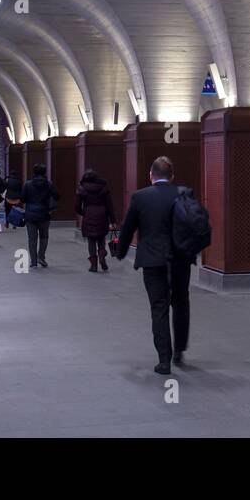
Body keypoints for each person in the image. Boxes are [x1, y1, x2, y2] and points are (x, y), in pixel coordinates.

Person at [112, 156, 193, 375]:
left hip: (153, 260)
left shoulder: (140, 197)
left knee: (159, 307)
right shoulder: (183, 194)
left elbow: (128, 228)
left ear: (151, 175)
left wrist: (120, 252)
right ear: (172, 175)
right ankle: (179, 351)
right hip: (180, 260)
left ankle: (164, 360)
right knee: (181, 303)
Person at [74, 169, 115, 273]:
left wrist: (83, 213)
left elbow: (77, 206)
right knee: (101, 237)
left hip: (88, 214)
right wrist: (112, 220)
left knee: (91, 240)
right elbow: (110, 206)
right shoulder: (104, 188)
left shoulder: (82, 188)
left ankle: (93, 265)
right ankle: (102, 255)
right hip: (102, 214)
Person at [20, 165, 59, 268]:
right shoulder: (48, 184)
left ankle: (33, 262)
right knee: (44, 236)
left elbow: (22, 199)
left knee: (32, 238)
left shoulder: (28, 184)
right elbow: (57, 196)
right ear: (44, 172)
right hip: (44, 214)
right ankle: (41, 256)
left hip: (30, 215)